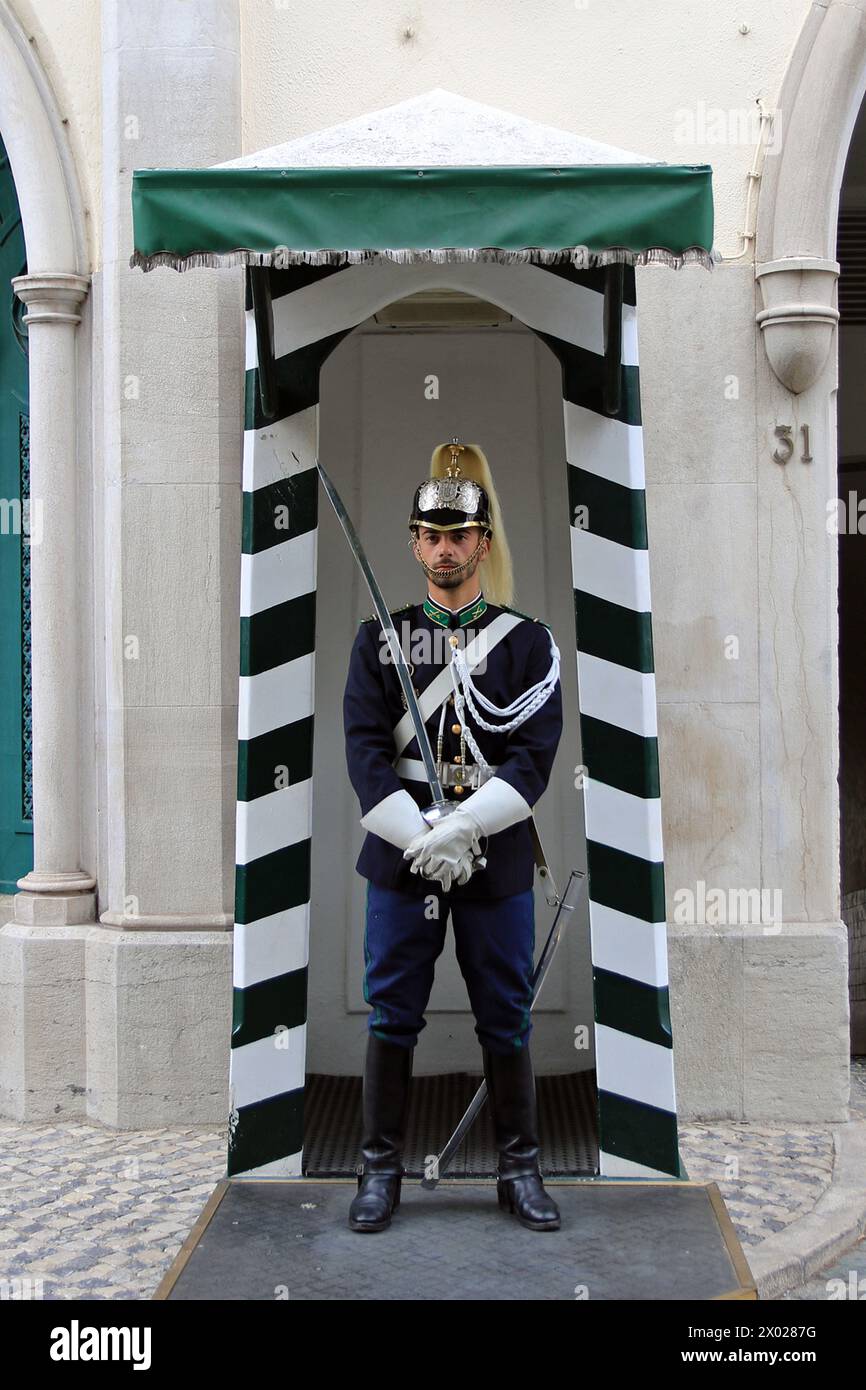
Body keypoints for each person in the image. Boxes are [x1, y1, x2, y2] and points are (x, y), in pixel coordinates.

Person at [342, 439, 563, 1233]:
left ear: (483, 542)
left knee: (505, 1015)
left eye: (458, 535)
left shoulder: (527, 644)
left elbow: (533, 760)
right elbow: (366, 757)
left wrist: (465, 825)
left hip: (493, 854)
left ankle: (521, 1170)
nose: (444, 548)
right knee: (390, 1014)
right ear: (413, 542)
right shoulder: (382, 639)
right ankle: (377, 1174)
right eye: (430, 534)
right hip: (405, 859)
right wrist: (421, 837)